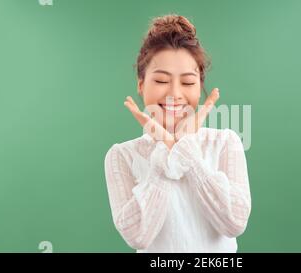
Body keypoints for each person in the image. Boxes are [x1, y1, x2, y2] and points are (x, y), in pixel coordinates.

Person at [104, 14, 251, 253]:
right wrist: (165, 148)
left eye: (187, 82)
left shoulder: (225, 142)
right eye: (161, 80)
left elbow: (234, 223)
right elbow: (137, 236)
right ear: (141, 85)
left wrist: (184, 149)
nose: (174, 93)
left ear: (199, 86)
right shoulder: (121, 155)